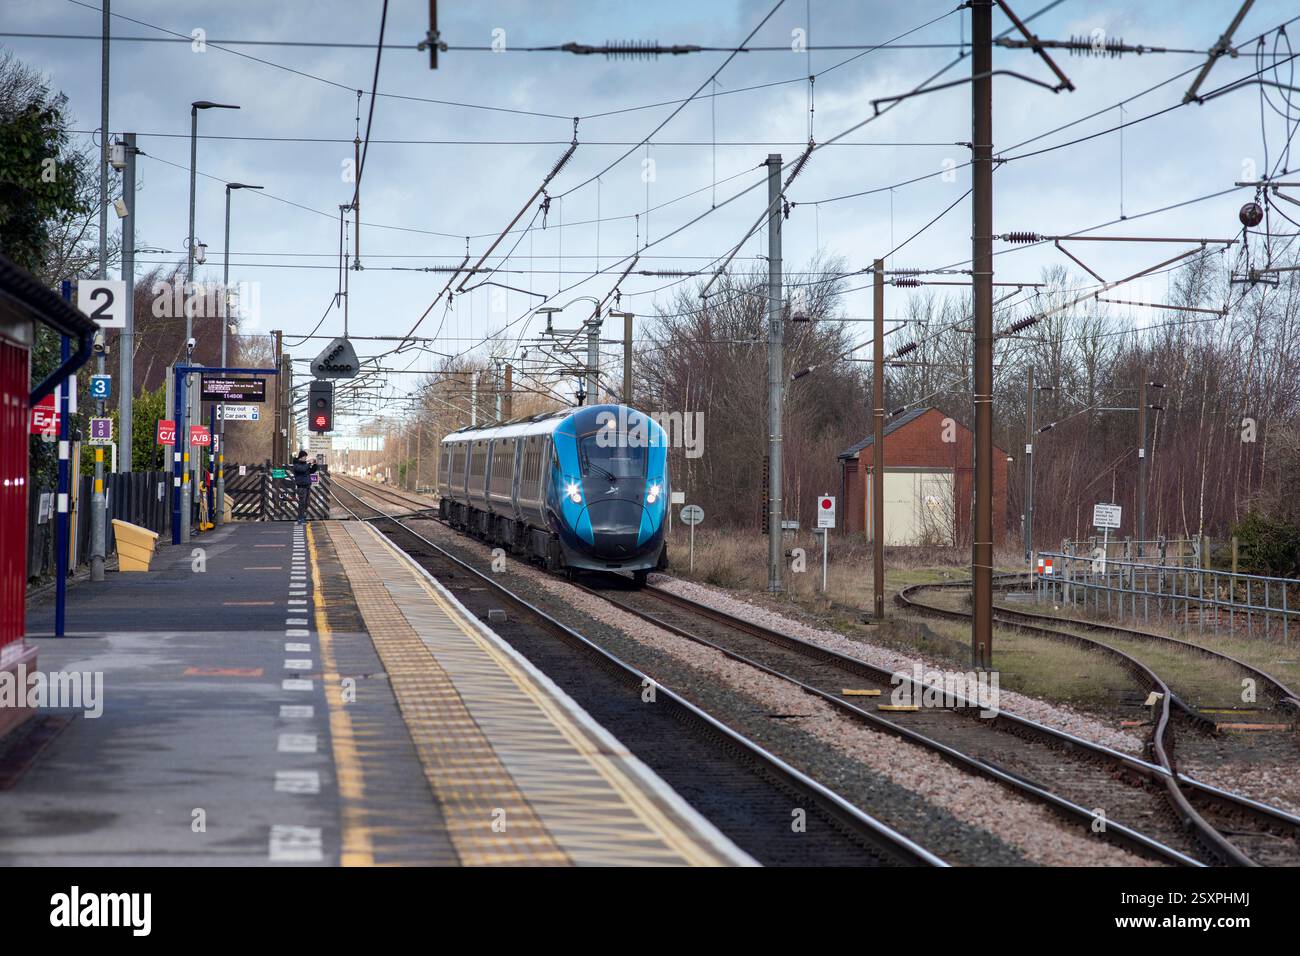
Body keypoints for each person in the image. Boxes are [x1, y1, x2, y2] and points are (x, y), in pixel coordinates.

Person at [292, 451, 318, 524]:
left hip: (307, 486)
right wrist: (309, 463)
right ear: (301, 457)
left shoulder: (305, 465)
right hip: (301, 487)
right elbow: (302, 469)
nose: (306, 458)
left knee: (306, 503)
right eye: (305, 457)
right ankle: (300, 519)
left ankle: (302, 517)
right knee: (302, 503)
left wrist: (315, 464)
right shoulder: (296, 464)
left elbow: (311, 471)